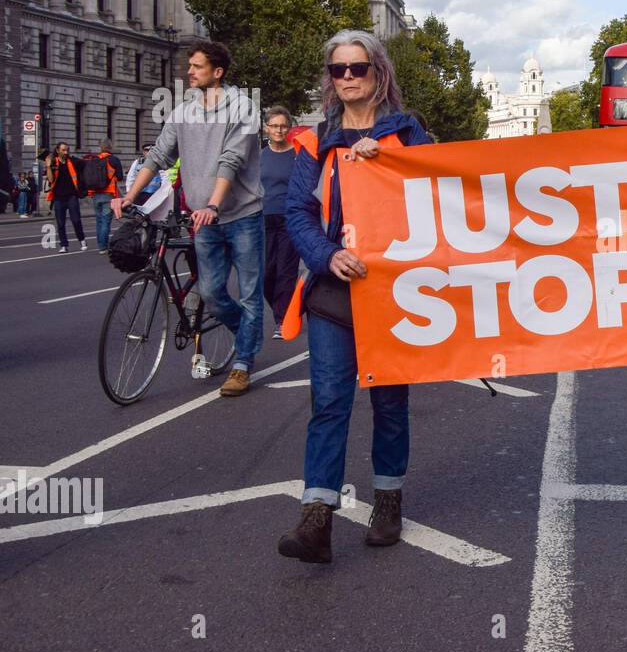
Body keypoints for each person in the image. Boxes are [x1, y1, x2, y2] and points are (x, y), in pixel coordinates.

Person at [277, 29, 433, 564]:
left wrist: (390, 164)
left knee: (390, 402)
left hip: (396, 294)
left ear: (378, 73)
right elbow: (297, 211)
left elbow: (443, 189)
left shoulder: (407, 133)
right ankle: (315, 519)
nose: (347, 77)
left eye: (357, 68)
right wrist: (326, 257)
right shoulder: (316, 141)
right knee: (329, 402)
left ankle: (387, 503)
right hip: (333, 293)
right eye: (338, 69)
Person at [112, 40, 264, 396]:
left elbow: (232, 159)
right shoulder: (183, 111)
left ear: (218, 72)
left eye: (196, 66)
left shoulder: (242, 108)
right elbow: (159, 155)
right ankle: (247, 332)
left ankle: (242, 365)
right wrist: (130, 196)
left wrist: (212, 204)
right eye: (190, 66)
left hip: (241, 214)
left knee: (250, 294)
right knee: (210, 292)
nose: (189, 72)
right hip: (202, 219)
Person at [260, 106, 299, 338]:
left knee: (285, 271)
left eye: (283, 126)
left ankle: (282, 320)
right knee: (266, 273)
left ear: (289, 128)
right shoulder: (260, 155)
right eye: (274, 126)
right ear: (266, 128)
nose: (279, 130)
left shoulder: (297, 154)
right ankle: (280, 308)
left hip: (290, 219)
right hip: (263, 219)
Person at [85, 139, 125, 254]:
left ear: (100, 148)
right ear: (110, 147)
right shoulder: (114, 160)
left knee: (99, 220)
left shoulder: (94, 159)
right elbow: (120, 177)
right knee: (106, 221)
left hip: (96, 194)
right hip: (109, 194)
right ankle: (103, 247)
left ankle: (100, 244)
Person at [46, 142, 87, 252]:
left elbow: (84, 164)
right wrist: (48, 166)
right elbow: (50, 180)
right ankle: (64, 245)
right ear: (58, 150)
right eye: (63, 150)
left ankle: (82, 240)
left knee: (76, 220)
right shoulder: (54, 162)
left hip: (71, 196)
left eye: (67, 150)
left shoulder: (72, 161)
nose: (66, 152)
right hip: (58, 197)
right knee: (60, 222)